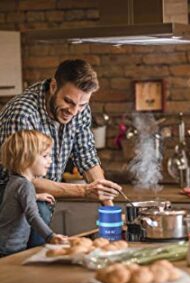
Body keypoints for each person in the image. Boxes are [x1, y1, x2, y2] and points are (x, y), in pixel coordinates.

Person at [0, 59, 122, 246]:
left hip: (40, 199)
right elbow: (22, 179)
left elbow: (86, 157)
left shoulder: (79, 108)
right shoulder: (23, 113)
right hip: (8, 200)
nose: (74, 111)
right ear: (54, 86)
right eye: (68, 101)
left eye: (81, 105)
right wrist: (84, 191)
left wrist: (109, 207)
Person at [0, 130, 68, 256]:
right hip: (10, 250)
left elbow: (14, 201)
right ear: (26, 158)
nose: (50, 161)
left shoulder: (14, 181)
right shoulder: (25, 185)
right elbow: (33, 216)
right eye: (45, 156)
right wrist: (50, 236)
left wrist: (35, 197)